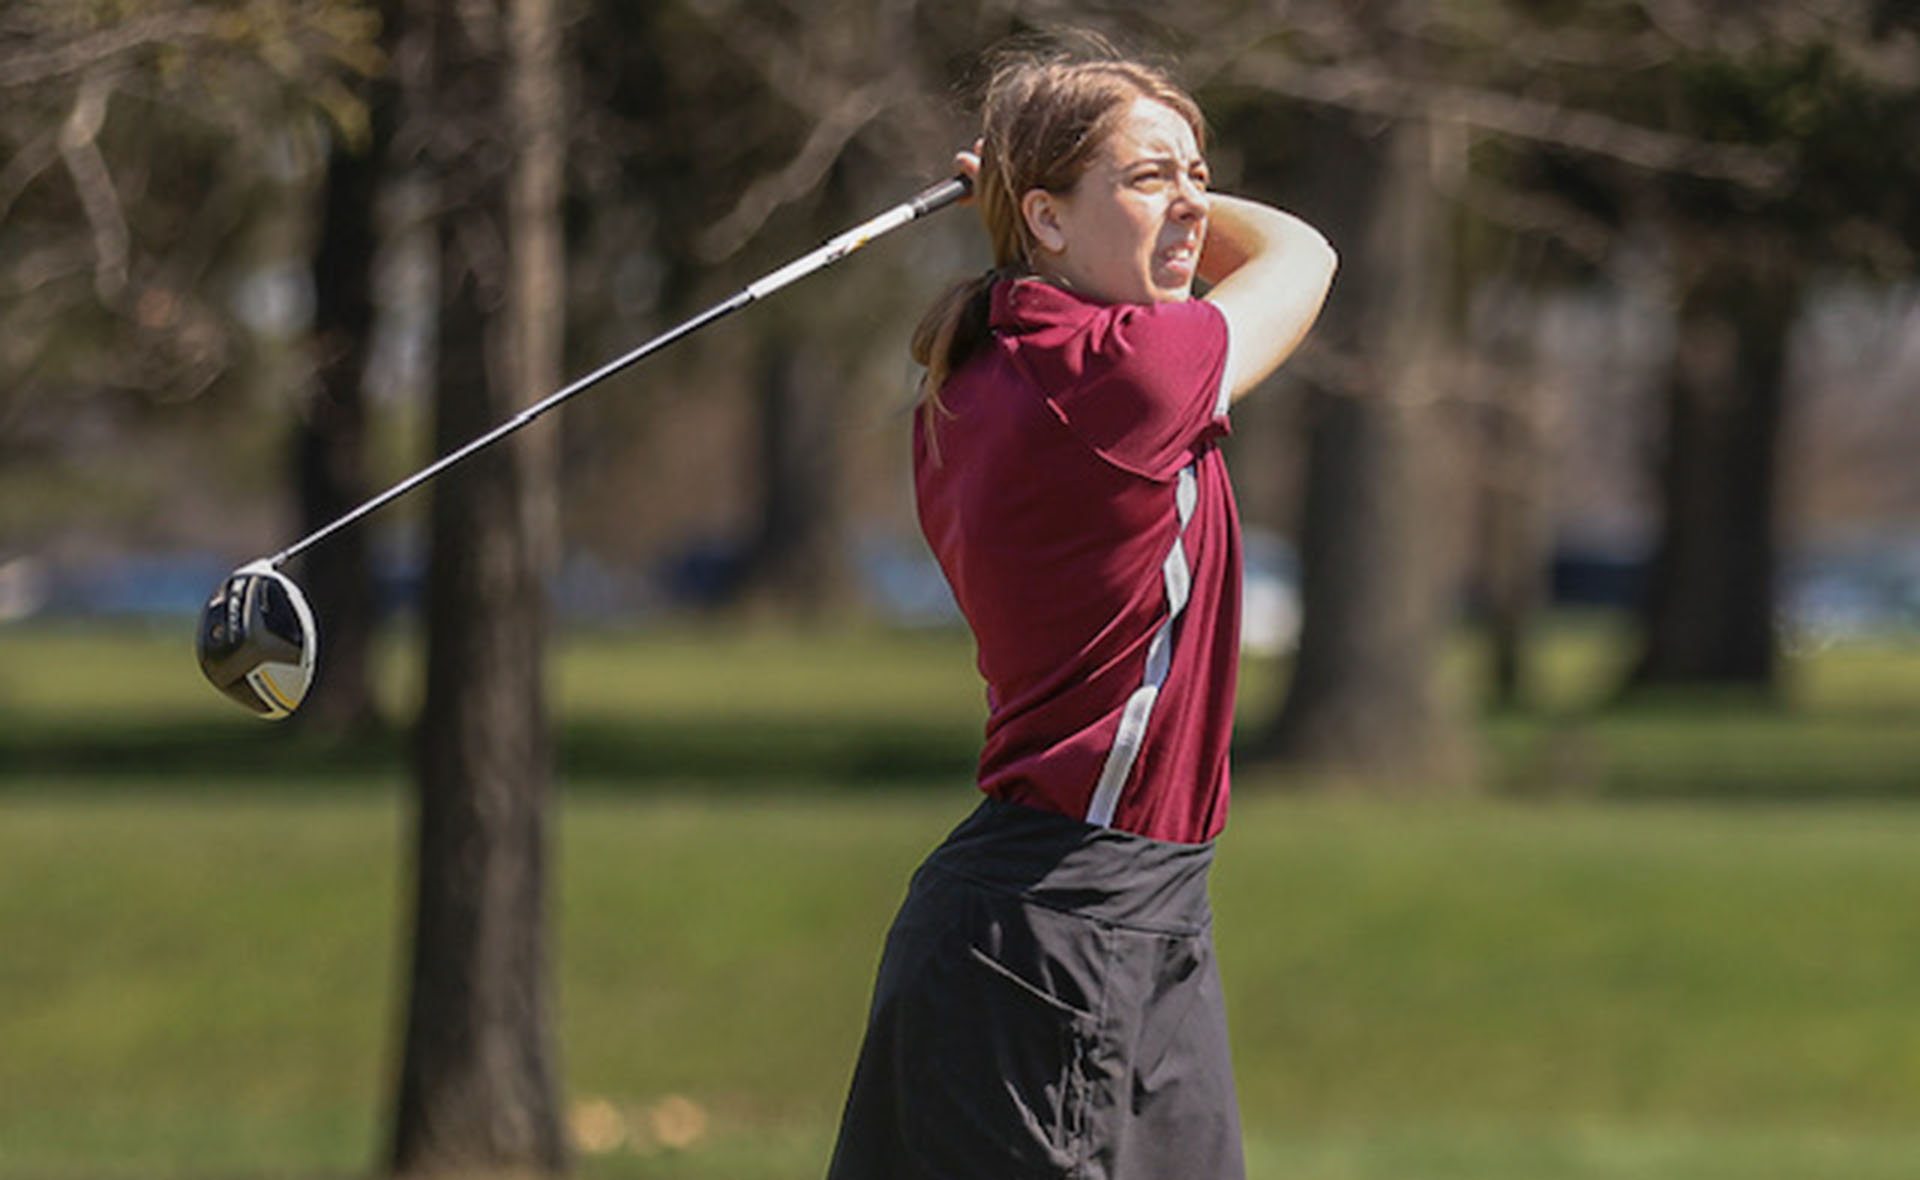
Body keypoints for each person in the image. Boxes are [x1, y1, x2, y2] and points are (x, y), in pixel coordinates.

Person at [826, 39, 1336, 1180]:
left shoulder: (988, 368)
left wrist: (1051, 188)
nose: (1194, 205)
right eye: (1153, 176)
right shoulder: (1113, 372)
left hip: (1103, 919)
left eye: (1202, 174)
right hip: (1066, 927)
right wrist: (1018, 183)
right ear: (1047, 221)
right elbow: (1305, 256)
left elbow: (1186, 243)